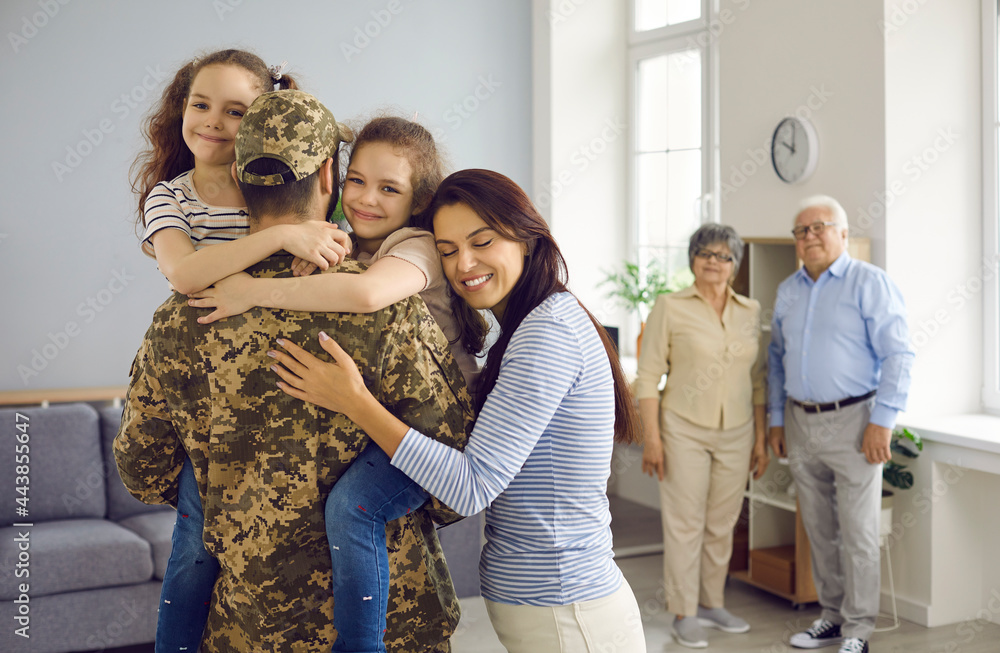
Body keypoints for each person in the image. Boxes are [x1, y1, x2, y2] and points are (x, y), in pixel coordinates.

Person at [115, 89, 473, 652]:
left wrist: (220, 487)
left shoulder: (185, 316)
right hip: (393, 623)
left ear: (238, 173)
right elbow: (452, 465)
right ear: (331, 175)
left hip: (244, 624)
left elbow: (141, 466)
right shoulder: (389, 309)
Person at [268, 169, 648, 653]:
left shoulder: (547, 334)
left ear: (527, 238)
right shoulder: (531, 325)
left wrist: (354, 401)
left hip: (567, 611)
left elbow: (470, 487)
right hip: (553, 608)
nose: (463, 264)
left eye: (482, 241)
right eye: (446, 250)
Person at [128, 49, 353, 651]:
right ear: (181, 108)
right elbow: (185, 274)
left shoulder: (271, 186)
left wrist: (317, 237)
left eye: (235, 112)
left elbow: (335, 238)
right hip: (214, 409)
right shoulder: (169, 198)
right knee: (193, 557)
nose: (213, 123)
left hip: (284, 398)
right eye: (201, 105)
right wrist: (283, 233)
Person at [768, 196, 913, 653]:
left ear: (843, 234)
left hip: (856, 421)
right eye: (801, 231)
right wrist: (775, 420)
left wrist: (883, 422)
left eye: (820, 227)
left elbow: (899, 355)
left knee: (859, 533)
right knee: (818, 529)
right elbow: (775, 360)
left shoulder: (870, 283)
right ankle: (830, 616)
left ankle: (858, 631)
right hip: (799, 420)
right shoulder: (788, 290)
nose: (809, 236)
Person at [636, 224, 768, 648]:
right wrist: (652, 440)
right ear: (693, 259)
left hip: (738, 430)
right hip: (683, 429)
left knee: (722, 522)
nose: (714, 261)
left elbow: (760, 380)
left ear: (735, 265)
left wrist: (761, 439)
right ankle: (684, 611)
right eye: (705, 253)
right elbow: (647, 378)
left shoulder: (750, 310)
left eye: (723, 255)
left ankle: (712, 603)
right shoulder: (670, 307)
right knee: (685, 523)